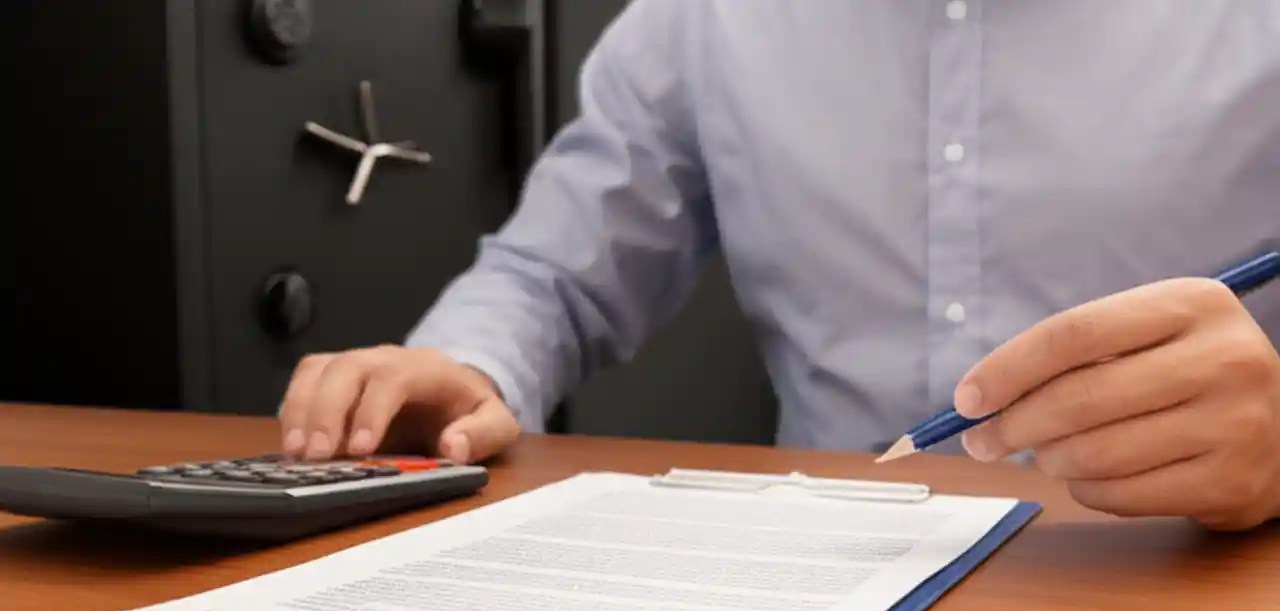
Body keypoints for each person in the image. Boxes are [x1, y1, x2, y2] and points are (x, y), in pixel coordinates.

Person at [276, 1, 1280, 530]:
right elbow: (552, 273)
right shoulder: (703, 15)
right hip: (819, 582)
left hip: (1192, 592)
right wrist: (472, 365)